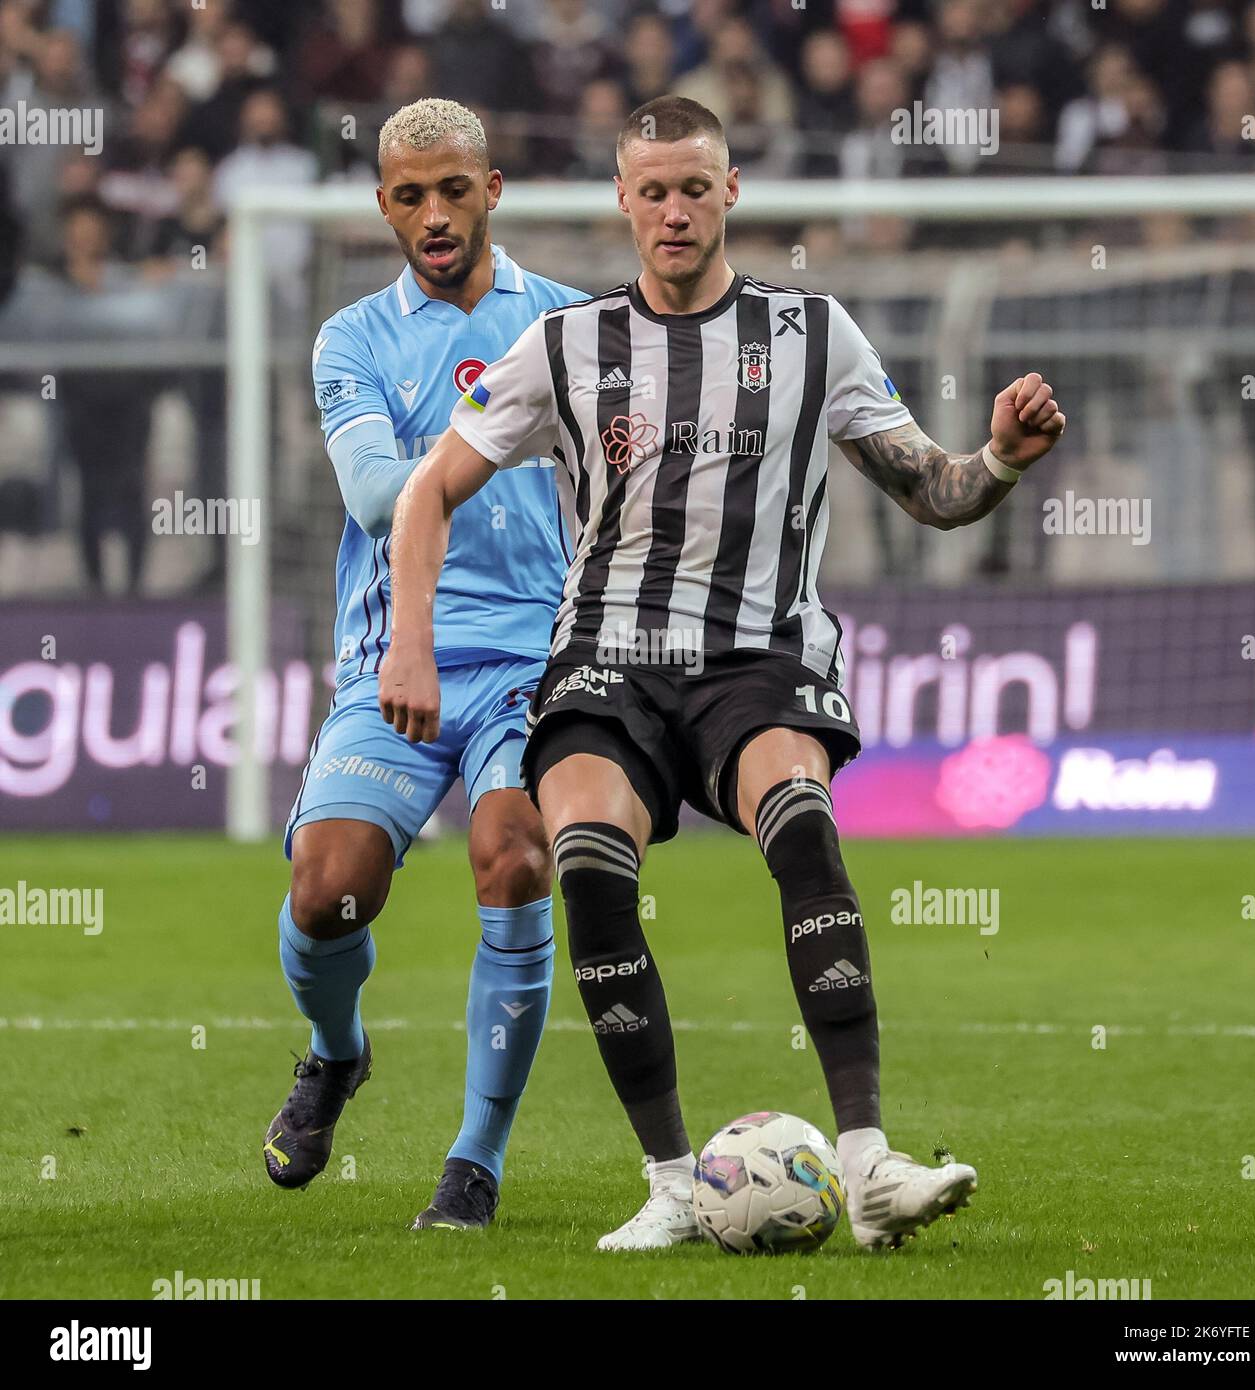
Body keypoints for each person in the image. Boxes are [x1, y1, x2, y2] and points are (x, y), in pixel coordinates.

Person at [379, 96, 1065, 1251]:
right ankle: (669, 1183)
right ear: (622, 202)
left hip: (755, 656)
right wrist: (408, 639)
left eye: (694, 187)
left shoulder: (813, 332)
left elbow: (934, 492)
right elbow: (424, 490)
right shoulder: (562, 345)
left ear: (731, 190)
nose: (674, 210)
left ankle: (868, 1164)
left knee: (798, 816)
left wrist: (997, 456)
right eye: (651, 191)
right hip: (607, 661)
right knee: (588, 861)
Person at [262, 98, 583, 1232]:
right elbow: (368, 496)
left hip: (532, 658)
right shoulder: (350, 337)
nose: (436, 215)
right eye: (411, 195)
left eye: (455, 189)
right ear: (383, 206)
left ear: (493, 189)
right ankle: (335, 1053)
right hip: (392, 654)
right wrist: (496, 429)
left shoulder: (567, 326)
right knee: (329, 889)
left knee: (513, 860)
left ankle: (473, 1162)